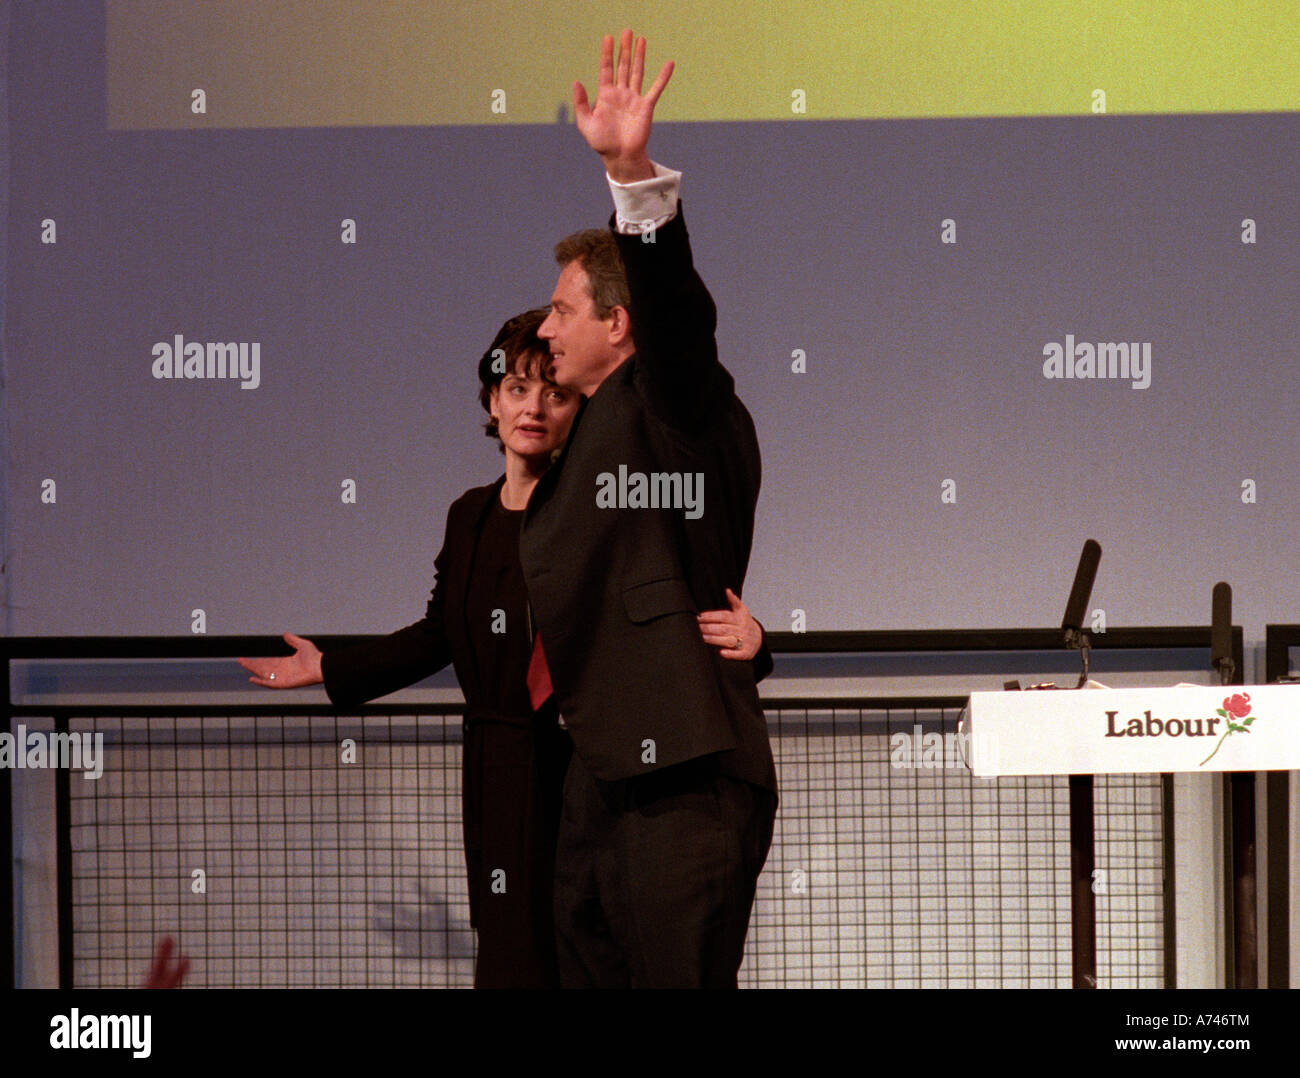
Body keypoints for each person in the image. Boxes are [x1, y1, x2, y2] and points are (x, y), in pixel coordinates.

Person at [237, 308, 768, 988]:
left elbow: (670, 595)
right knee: (511, 957)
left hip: (579, 762)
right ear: (491, 401)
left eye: (556, 392)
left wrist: (756, 642)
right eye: (517, 389)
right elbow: (439, 632)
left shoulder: (603, 507)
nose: (535, 408)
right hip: (496, 768)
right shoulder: (470, 515)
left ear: (583, 409)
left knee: (584, 955)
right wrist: (330, 668)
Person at [518, 31, 778, 988]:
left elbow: (678, 320)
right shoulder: (583, 437)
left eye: (561, 311)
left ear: (616, 326)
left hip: (683, 784)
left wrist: (632, 181)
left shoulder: (670, 400)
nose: (544, 330)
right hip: (604, 780)